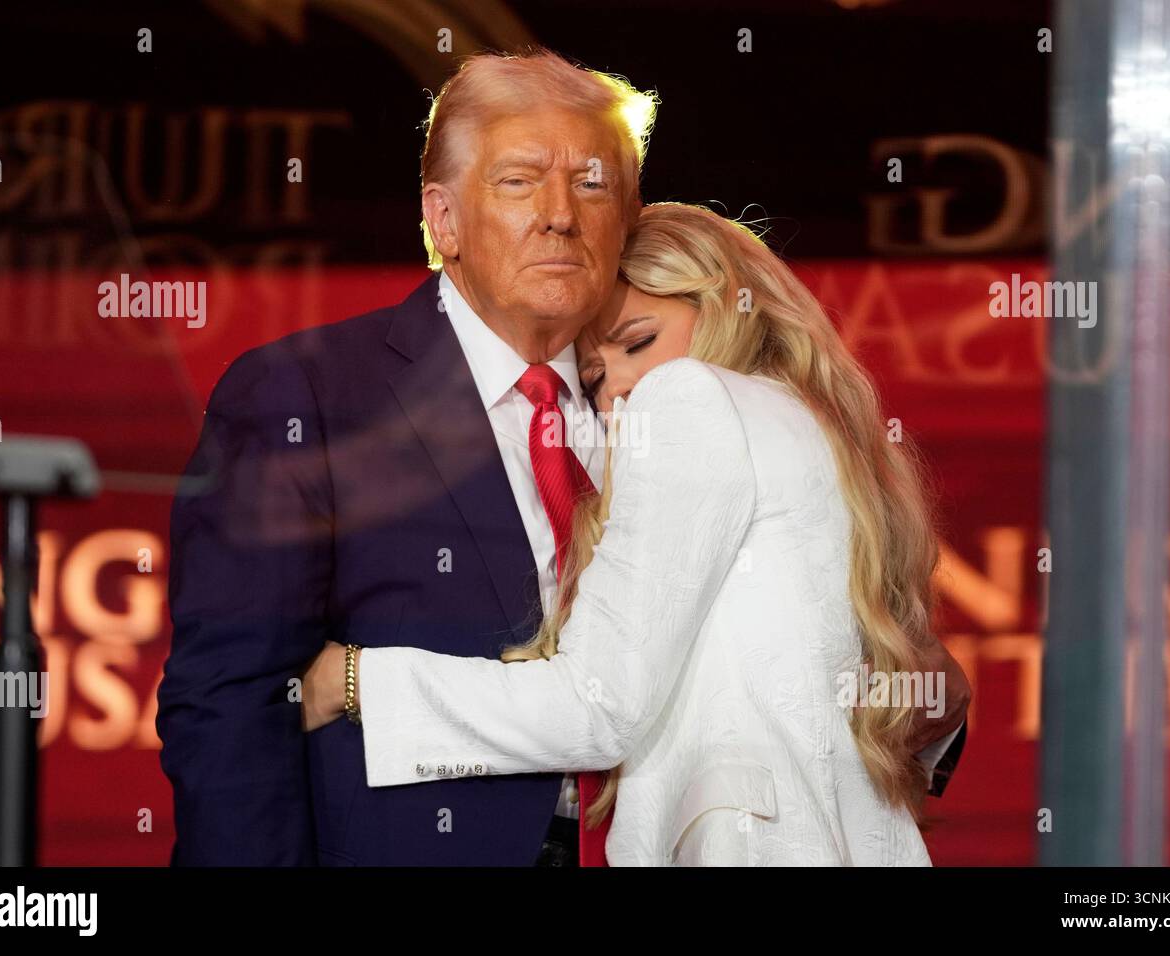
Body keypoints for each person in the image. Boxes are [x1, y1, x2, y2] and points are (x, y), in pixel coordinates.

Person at [301, 202, 970, 865]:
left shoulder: (688, 396)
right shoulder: (812, 426)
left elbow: (600, 704)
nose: (617, 387)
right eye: (590, 377)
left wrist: (356, 680)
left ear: (725, 304)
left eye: (639, 340)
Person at [156, 49, 659, 865]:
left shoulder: (675, 401)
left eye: (593, 183)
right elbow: (233, 705)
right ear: (444, 219)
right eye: (520, 180)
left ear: (630, 216)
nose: (561, 214)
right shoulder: (302, 396)